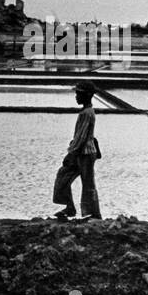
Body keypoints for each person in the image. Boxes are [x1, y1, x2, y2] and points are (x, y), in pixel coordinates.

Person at [52, 80, 102, 219]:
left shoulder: (87, 113)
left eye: (79, 94)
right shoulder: (86, 112)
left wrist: (71, 154)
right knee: (64, 176)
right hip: (82, 152)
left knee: (87, 183)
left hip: (84, 153)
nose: (76, 97)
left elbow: (81, 137)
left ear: (87, 96)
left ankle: (92, 213)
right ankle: (71, 207)